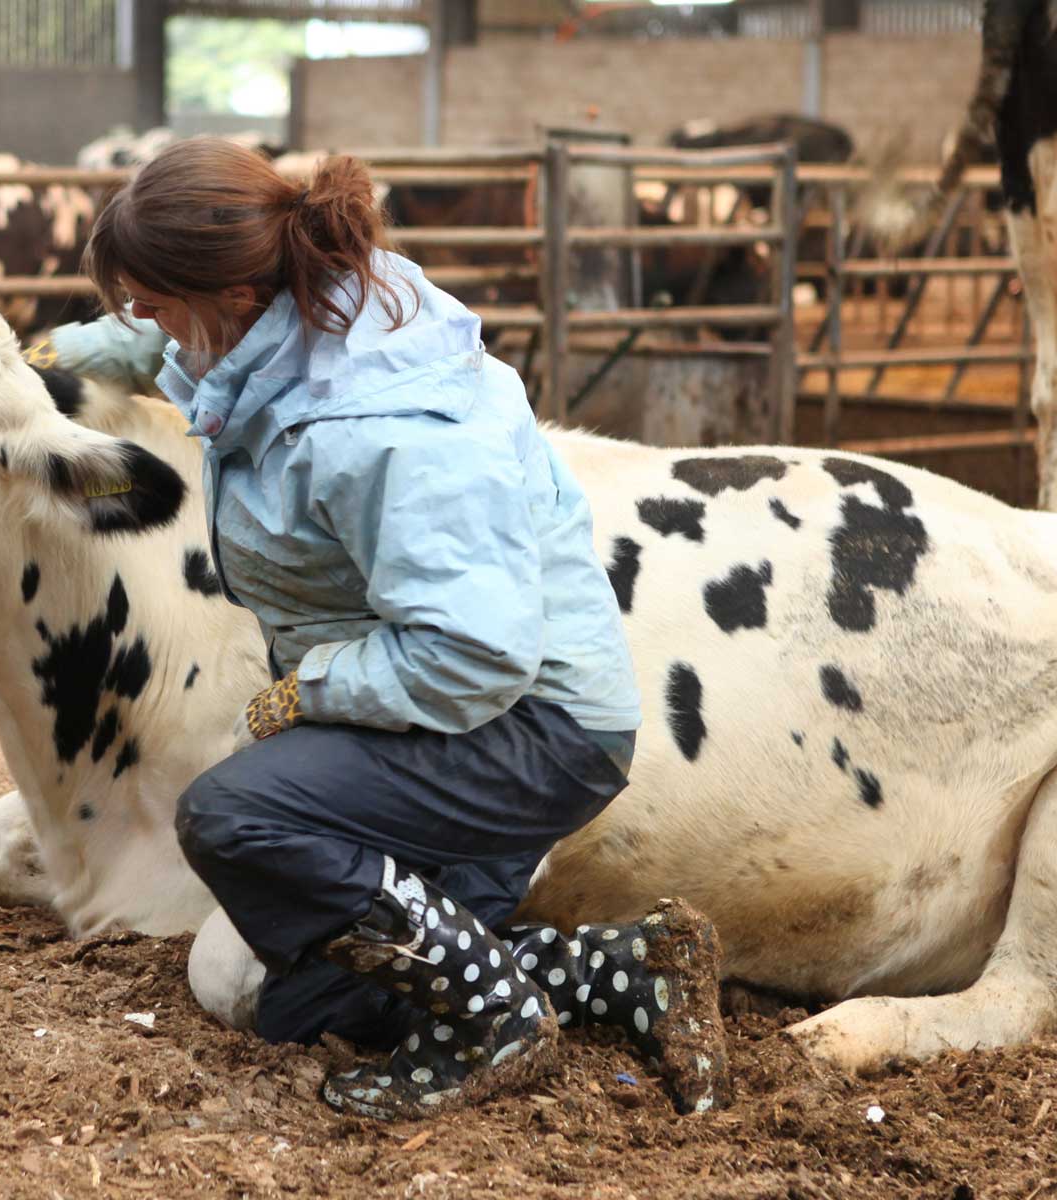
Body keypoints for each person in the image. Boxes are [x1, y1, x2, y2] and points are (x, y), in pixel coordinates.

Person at [74, 137, 728, 1121]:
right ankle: (621, 967)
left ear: (232, 296)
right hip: (460, 710)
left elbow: (475, 652)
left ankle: (496, 1024)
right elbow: (175, 347)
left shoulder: (375, 430)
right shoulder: (321, 293)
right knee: (304, 999)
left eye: (154, 303)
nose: (148, 326)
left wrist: (311, 691)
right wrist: (39, 355)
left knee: (232, 815)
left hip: (530, 727)